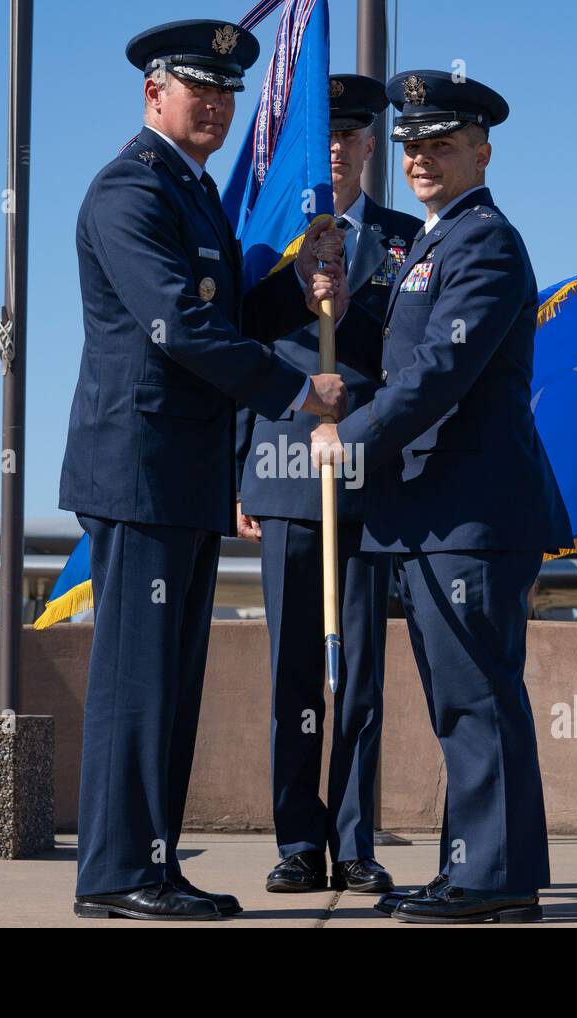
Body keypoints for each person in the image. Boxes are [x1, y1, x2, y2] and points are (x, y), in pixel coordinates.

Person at [58, 18, 349, 921]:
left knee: (170, 687)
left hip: (175, 476)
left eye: (228, 92)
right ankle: (118, 875)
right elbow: (177, 327)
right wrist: (297, 395)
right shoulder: (129, 192)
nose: (217, 104)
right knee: (138, 683)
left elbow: (222, 310)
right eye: (200, 89)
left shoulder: (190, 194)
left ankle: (149, 863)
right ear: (155, 94)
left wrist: (292, 288)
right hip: (138, 471)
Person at [312, 70, 573, 923]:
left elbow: (437, 377)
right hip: (432, 514)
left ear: (482, 152)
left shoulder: (484, 241)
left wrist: (347, 441)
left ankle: (493, 883)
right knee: (458, 701)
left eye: (442, 145)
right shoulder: (434, 240)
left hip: (470, 512)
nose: (422, 158)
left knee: (476, 699)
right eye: (412, 147)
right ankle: (476, 872)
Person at [234, 74, 422, 896]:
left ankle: (353, 839)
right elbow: (240, 355)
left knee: (361, 671)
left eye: (351, 134)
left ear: (371, 144)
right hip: (283, 474)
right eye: (325, 135)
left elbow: (414, 357)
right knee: (293, 675)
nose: (338, 148)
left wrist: (348, 336)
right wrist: (239, 473)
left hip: (364, 475)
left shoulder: (405, 238)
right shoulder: (267, 236)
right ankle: (296, 840)